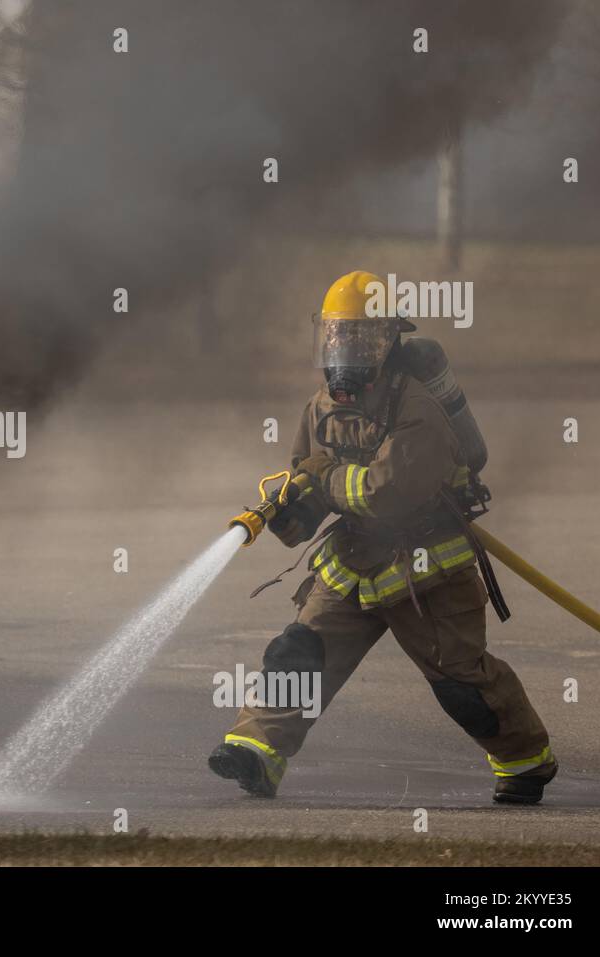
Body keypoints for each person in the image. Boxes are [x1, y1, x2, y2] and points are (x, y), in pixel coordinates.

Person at [208, 270, 556, 804]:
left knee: (464, 687)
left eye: (360, 337)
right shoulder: (320, 407)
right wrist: (290, 515)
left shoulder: (417, 408)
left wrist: (322, 479)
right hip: (353, 562)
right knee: (297, 653)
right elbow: (311, 477)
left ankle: (525, 762)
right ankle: (256, 751)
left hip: (427, 572)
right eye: (337, 335)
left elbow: (383, 493)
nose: (345, 350)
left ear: (388, 342)